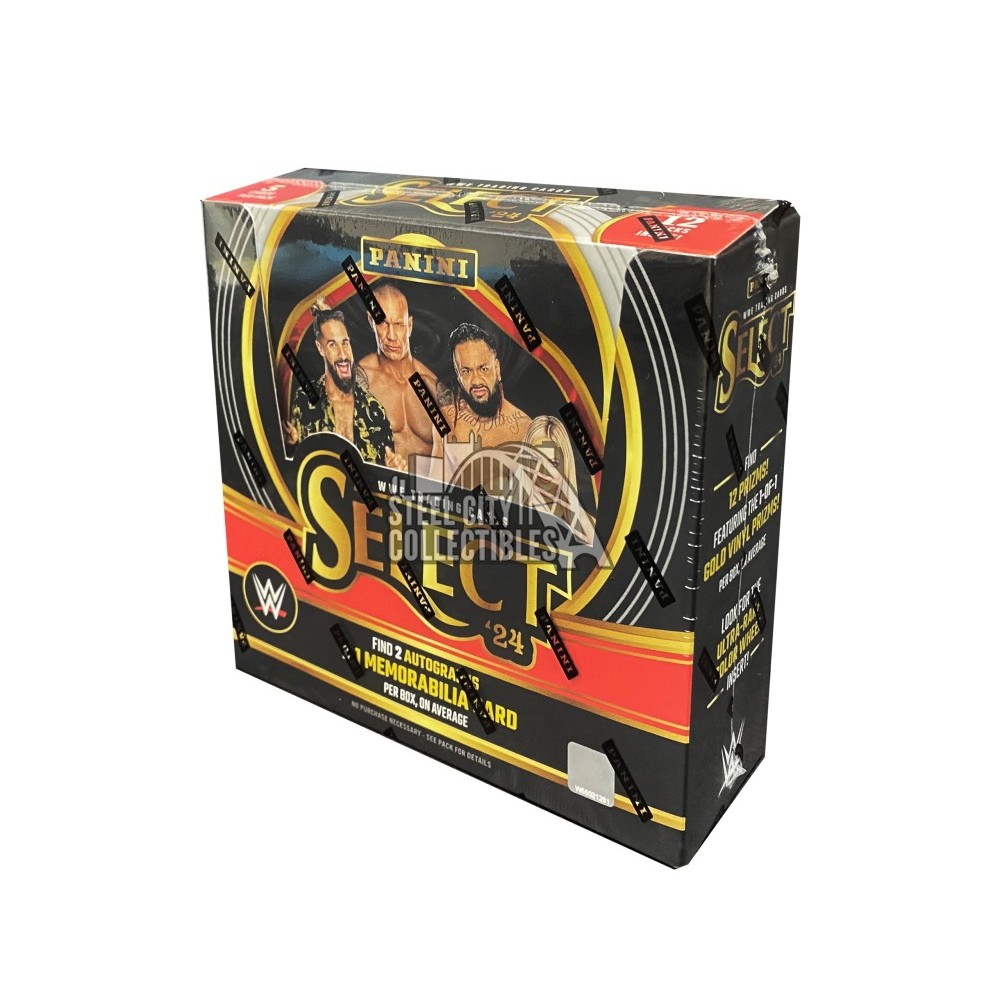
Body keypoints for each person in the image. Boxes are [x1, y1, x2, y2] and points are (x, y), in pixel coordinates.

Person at [284, 300, 402, 467]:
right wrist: (291, 446)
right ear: (320, 348)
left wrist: (394, 468)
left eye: (345, 343)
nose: (343, 355)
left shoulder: (374, 410)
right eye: (332, 345)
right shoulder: (305, 400)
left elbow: (385, 471)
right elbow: (296, 465)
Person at [356, 282, 442, 467]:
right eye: (383, 324)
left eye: (399, 325)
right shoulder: (362, 380)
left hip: (430, 484)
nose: (392, 336)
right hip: (383, 483)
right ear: (371, 321)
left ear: (409, 326)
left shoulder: (433, 386)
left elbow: (458, 451)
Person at [435, 322, 531, 453]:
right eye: (466, 371)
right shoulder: (445, 421)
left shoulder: (524, 428)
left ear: (497, 369)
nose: (476, 380)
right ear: (458, 376)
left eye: (483, 369)